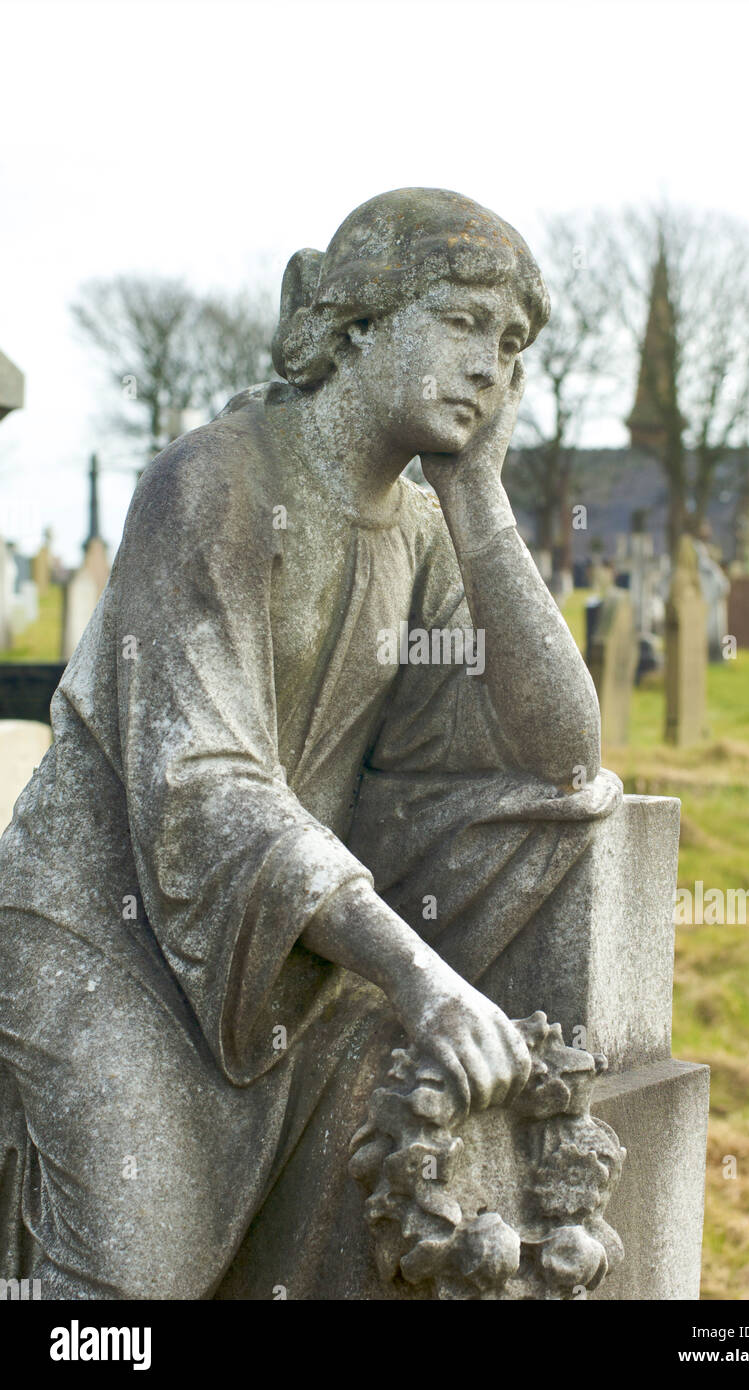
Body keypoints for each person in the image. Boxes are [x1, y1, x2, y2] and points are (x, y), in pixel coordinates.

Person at [0, 188, 620, 1299]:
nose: (490, 364)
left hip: (283, 958)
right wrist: (416, 972)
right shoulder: (214, 484)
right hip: (111, 934)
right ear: (355, 324)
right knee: (132, 1285)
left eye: (512, 345)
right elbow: (206, 786)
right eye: (464, 320)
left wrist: (476, 498)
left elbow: (559, 751)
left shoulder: (423, 530)